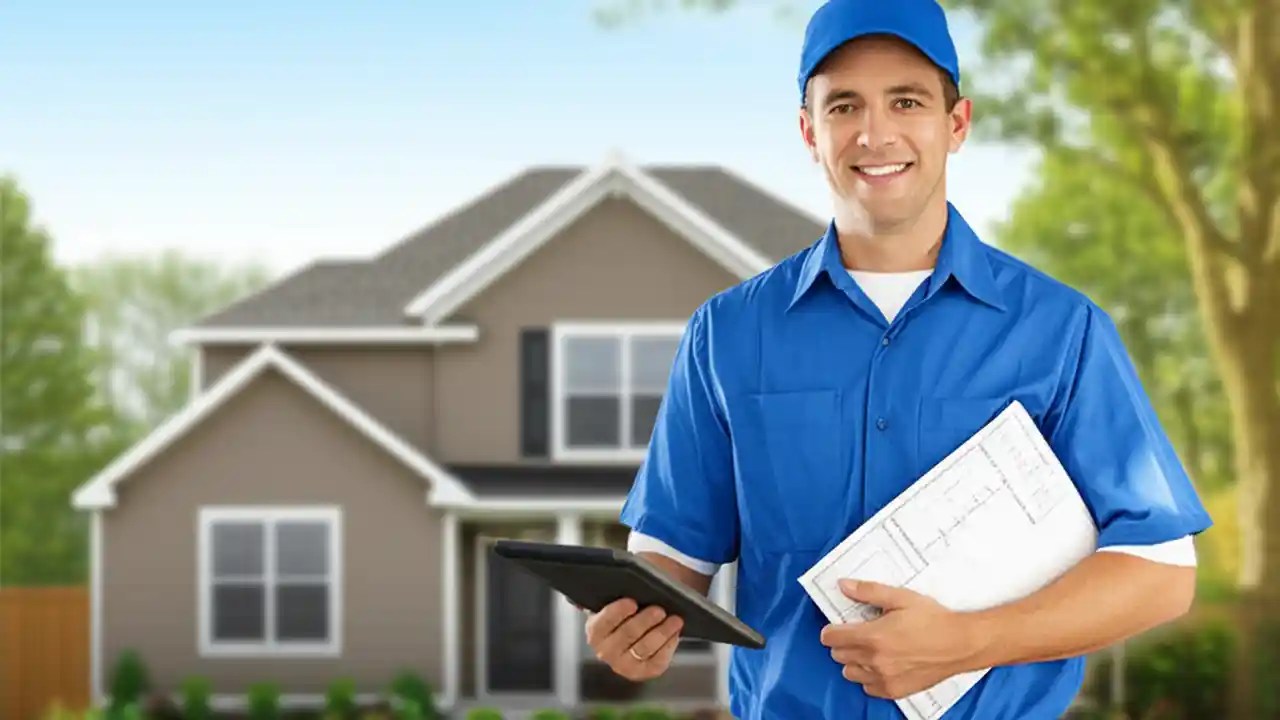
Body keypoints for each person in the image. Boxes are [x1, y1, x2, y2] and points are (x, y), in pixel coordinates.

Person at [583, 0, 1213, 717]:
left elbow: (1160, 573)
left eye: (906, 101)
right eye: (843, 105)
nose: (874, 133)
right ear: (808, 133)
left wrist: (972, 640)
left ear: (957, 124)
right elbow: (673, 559)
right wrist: (629, 625)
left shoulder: (1062, 331)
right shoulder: (726, 335)